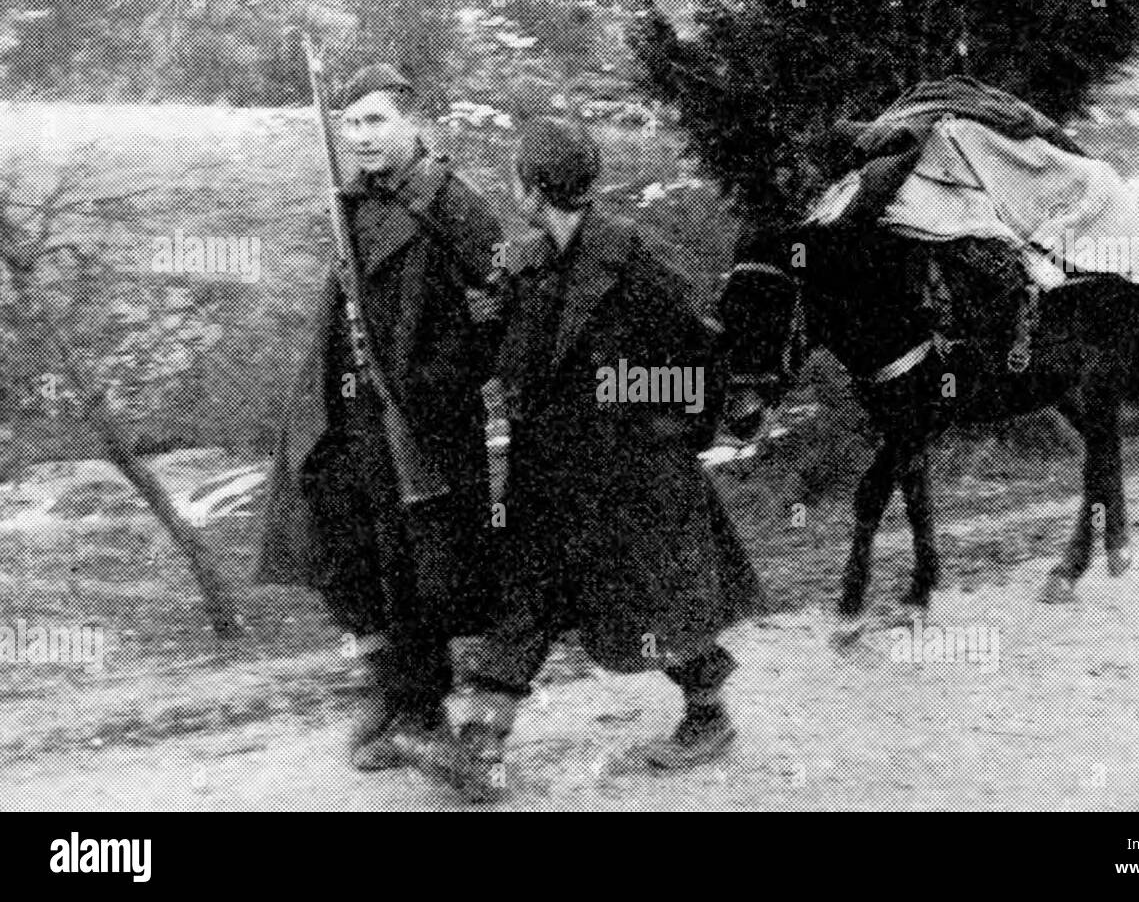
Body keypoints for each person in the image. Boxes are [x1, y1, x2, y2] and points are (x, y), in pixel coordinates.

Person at [437, 116, 761, 803]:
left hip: (629, 476)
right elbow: (508, 359)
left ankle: (708, 709)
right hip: (546, 477)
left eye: (517, 177)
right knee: (525, 598)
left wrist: (658, 430)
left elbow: (702, 361)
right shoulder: (526, 266)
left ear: (533, 188)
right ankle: (483, 743)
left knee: (649, 600)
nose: (513, 190)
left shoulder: (636, 259)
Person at [254, 63, 503, 771]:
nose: (360, 136)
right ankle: (389, 688)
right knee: (339, 540)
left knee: (417, 569)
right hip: (349, 414)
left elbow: (498, 314)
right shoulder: (353, 203)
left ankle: (422, 712)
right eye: (351, 122)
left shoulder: (456, 206)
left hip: (425, 422)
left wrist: (430, 383)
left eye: (375, 121)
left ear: (413, 124)